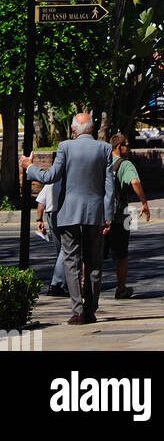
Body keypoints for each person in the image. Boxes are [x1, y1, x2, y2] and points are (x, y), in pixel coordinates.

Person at [21, 111, 114, 325]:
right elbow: (109, 185)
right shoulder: (105, 148)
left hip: (69, 212)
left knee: (71, 262)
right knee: (94, 263)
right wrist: (108, 215)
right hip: (96, 212)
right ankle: (91, 309)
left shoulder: (65, 147)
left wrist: (29, 167)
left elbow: (50, 177)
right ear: (92, 128)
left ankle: (78, 310)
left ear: (73, 129)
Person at [106, 134, 150, 299]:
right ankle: (121, 289)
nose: (129, 149)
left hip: (99, 216)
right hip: (121, 215)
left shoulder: (102, 162)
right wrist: (144, 202)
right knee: (122, 255)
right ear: (119, 147)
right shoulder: (125, 164)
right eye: (127, 145)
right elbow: (135, 182)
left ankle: (85, 285)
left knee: (94, 255)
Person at [35, 181, 67, 296]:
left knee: (60, 250)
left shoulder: (51, 182)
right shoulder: (68, 180)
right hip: (65, 214)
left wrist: (39, 220)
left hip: (51, 215)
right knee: (66, 249)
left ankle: (64, 281)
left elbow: (41, 201)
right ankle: (57, 284)